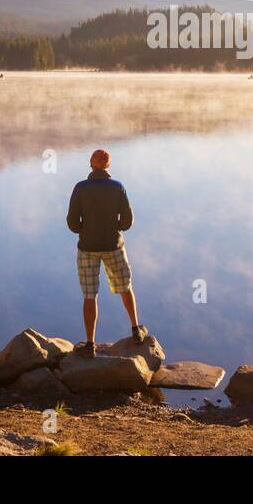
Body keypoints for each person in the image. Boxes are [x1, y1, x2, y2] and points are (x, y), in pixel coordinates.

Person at [66, 149, 147, 356]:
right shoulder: (117, 187)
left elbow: (72, 223)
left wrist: (86, 229)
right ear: (108, 166)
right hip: (114, 245)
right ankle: (136, 329)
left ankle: (90, 344)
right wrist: (114, 227)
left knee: (89, 294)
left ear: (90, 164)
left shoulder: (80, 188)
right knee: (125, 287)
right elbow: (128, 221)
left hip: (87, 247)